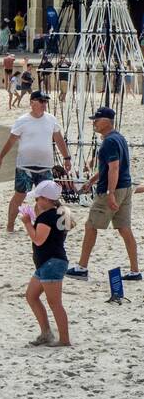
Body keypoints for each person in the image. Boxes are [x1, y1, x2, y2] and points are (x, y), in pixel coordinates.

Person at [66, 107, 141, 281]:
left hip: (112, 190)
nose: (94, 123)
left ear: (107, 121)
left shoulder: (109, 142)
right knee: (124, 229)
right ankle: (135, 271)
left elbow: (114, 168)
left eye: (97, 120)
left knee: (91, 226)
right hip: (126, 187)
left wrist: (111, 193)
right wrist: (91, 181)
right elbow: (109, 166)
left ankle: (82, 268)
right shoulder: (119, 138)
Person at [0, 91, 72, 232]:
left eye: (45, 101)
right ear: (32, 102)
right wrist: (0, 158)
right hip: (24, 166)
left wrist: (67, 158)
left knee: (45, 198)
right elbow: (11, 141)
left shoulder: (51, 119)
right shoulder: (22, 120)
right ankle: (10, 225)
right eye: (40, 101)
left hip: (45, 166)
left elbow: (59, 139)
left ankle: (40, 225)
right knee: (20, 195)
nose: (43, 104)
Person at [20, 179, 72, 346]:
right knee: (31, 296)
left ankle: (64, 339)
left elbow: (38, 240)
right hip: (49, 262)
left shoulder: (46, 217)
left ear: (46, 199)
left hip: (51, 262)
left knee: (55, 303)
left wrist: (28, 223)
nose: (36, 202)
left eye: (38, 198)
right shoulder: (61, 212)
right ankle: (46, 333)